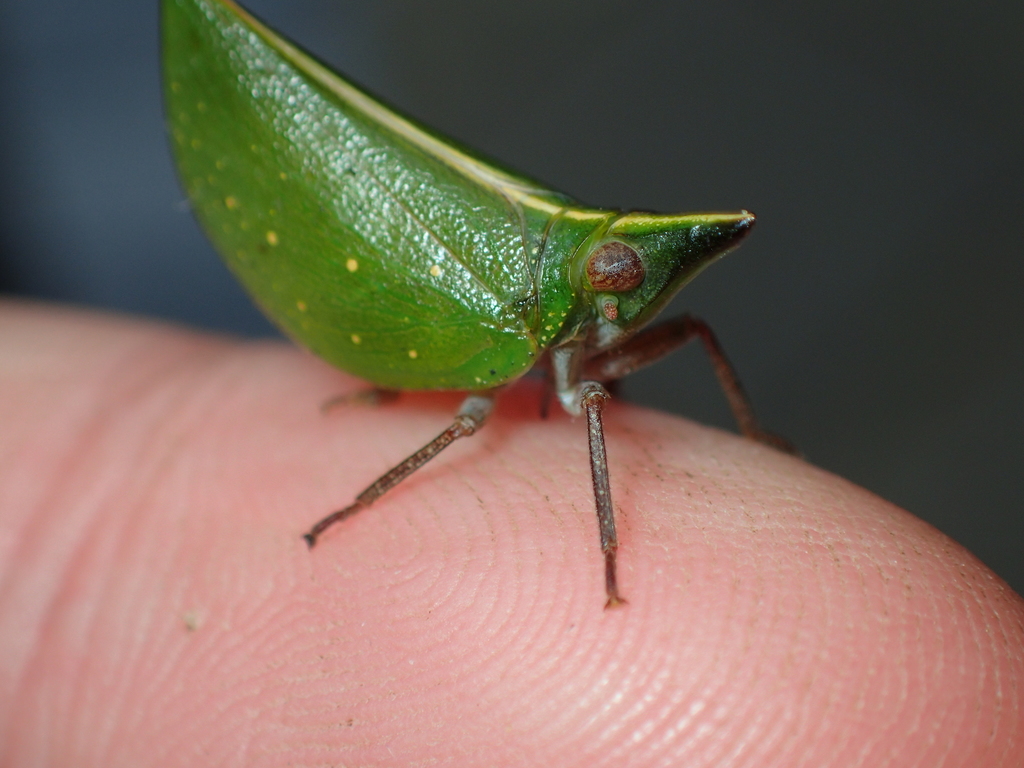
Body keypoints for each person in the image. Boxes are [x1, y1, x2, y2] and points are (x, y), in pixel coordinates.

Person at [2, 299, 1022, 766]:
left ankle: (731, 452)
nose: (631, 309)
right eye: (618, 281)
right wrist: (354, 506)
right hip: (464, 333)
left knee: (636, 362)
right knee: (477, 419)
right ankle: (377, 493)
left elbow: (613, 356)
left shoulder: (602, 335)